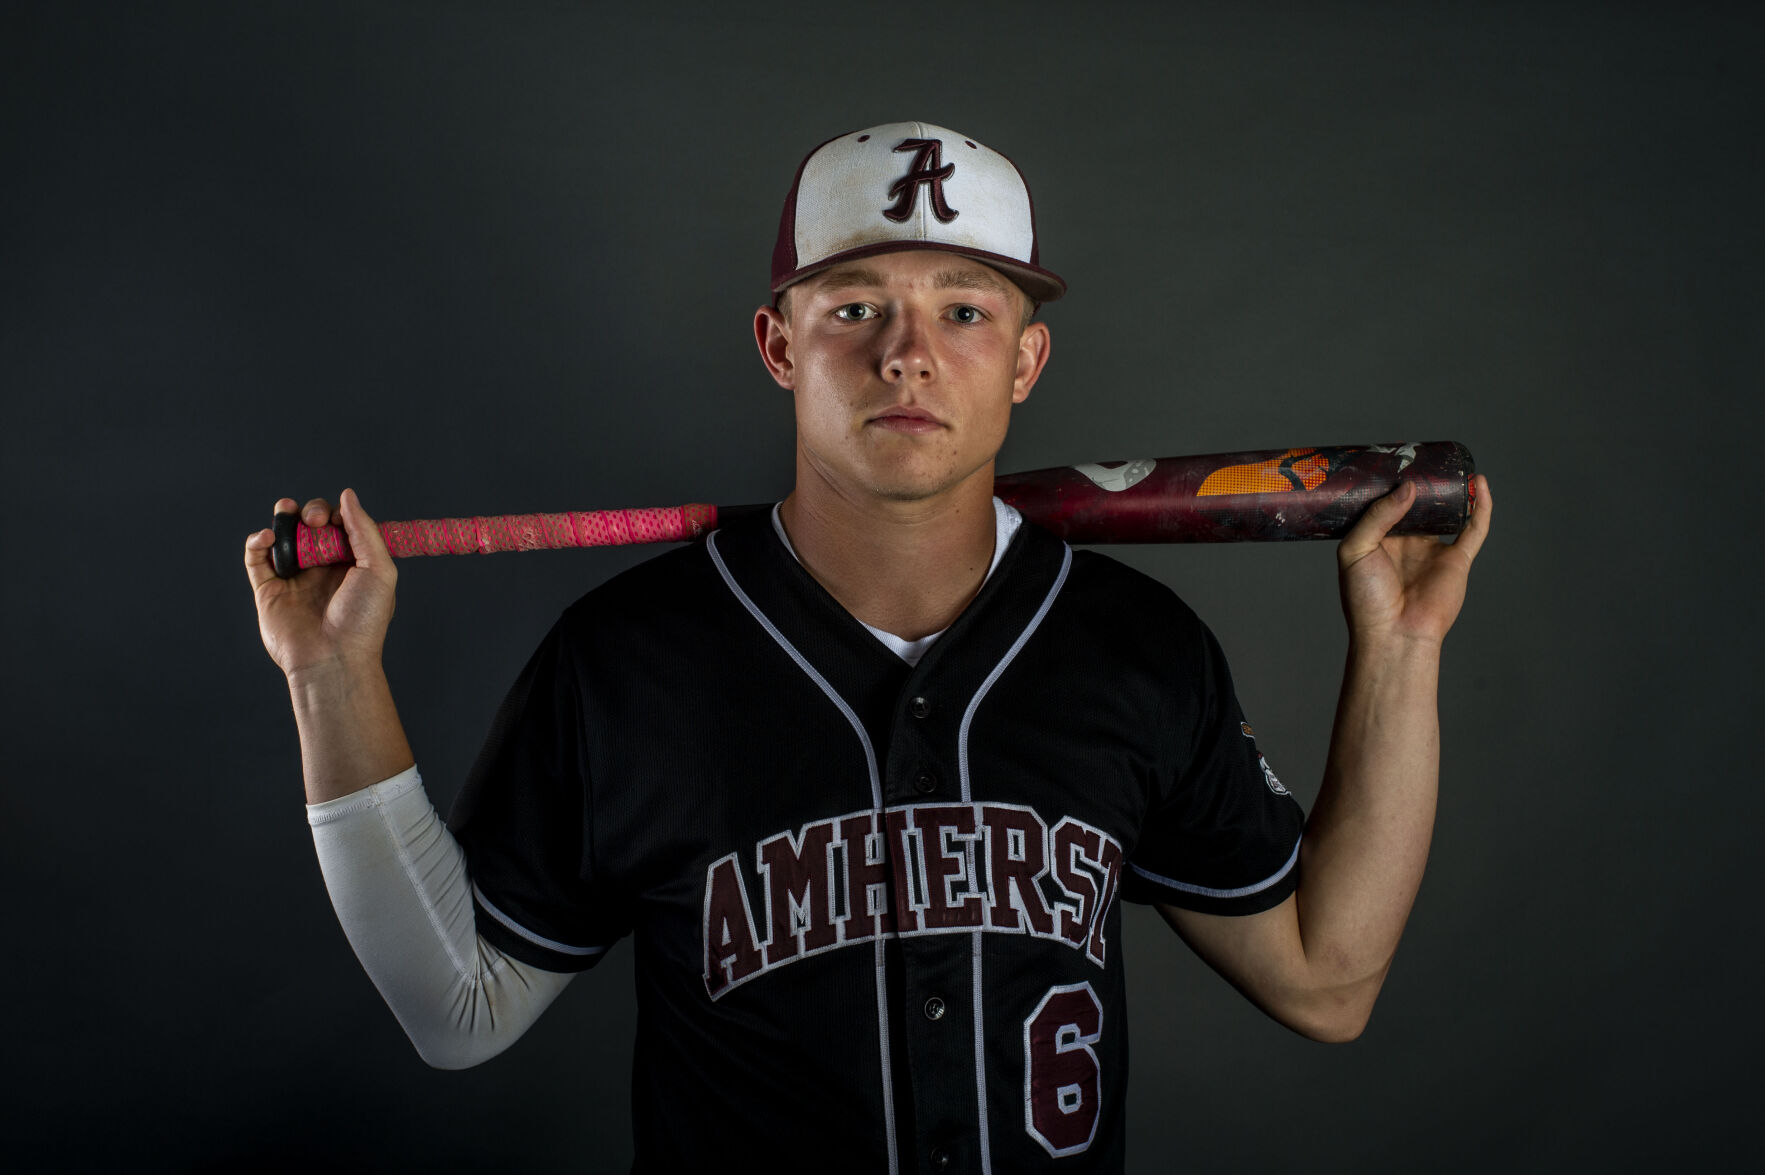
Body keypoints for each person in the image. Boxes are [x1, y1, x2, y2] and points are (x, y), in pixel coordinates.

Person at [244, 120, 1492, 1172]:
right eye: (855, 307)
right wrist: (330, 675)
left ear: (1024, 361)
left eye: (964, 309)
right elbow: (458, 1013)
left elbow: (1326, 981)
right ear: (780, 347)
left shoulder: (1135, 648)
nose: (908, 352)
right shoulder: (627, 659)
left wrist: (1401, 644)